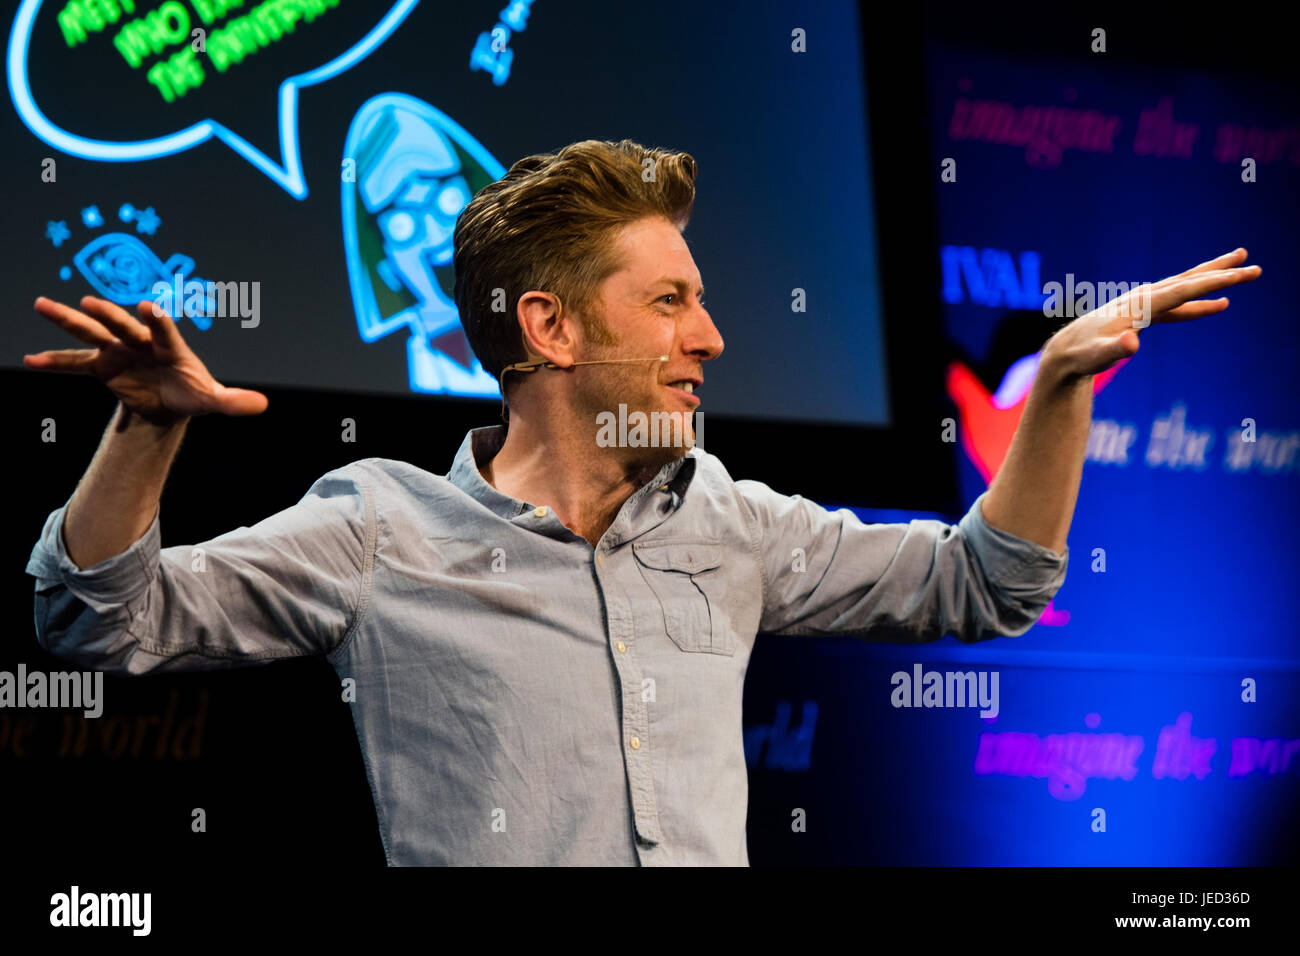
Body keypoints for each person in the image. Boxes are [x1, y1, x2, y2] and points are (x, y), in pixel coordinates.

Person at [23, 139, 1261, 865]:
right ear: (550, 327)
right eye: (667, 301)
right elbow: (99, 621)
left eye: (702, 298)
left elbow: (987, 583)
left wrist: (1054, 390)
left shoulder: (726, 521)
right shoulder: (378, 528)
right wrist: (146, 426)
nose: (712, 336)